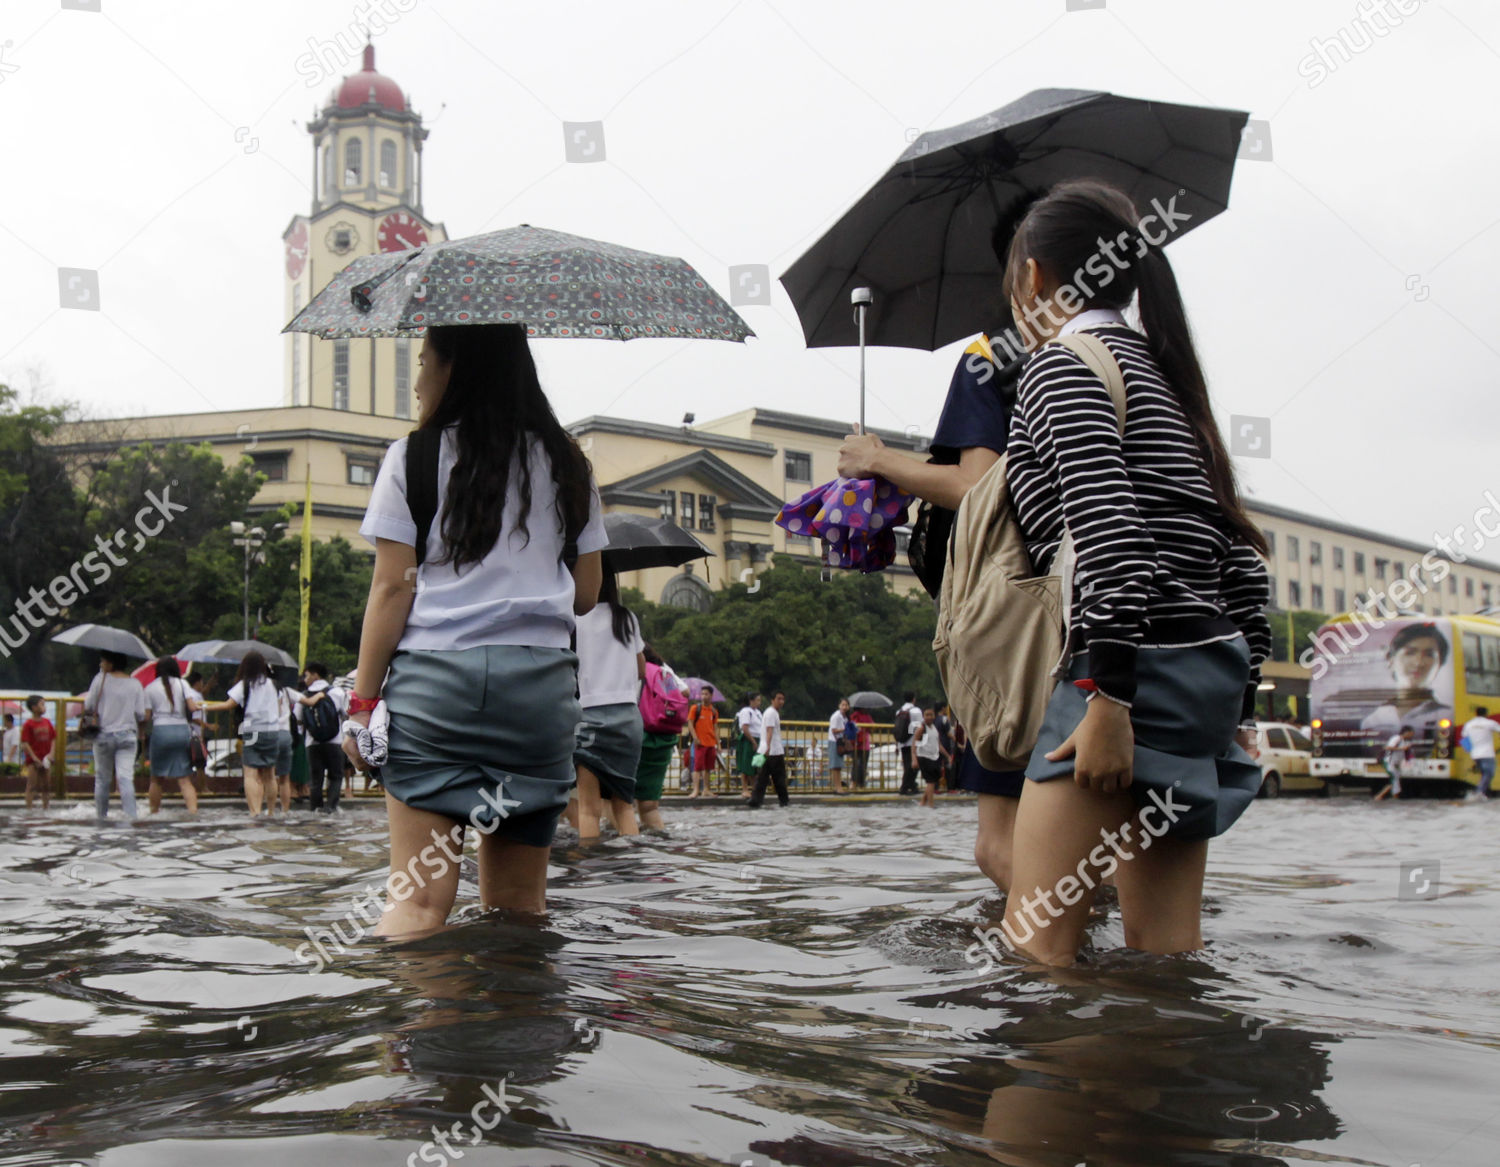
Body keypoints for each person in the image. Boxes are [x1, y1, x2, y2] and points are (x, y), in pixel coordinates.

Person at [988, 180, 1271, 965]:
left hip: (1116, 679)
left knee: (1036, 953)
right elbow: (1240, 558)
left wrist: (1108, 695)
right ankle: (1159, 1084)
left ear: (1035, 277)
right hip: (1203, 679)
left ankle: (1066, 1086)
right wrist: (1237, 710)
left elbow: (1109, 537)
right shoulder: (1170, 377)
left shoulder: (1058, 369)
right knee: (1167, 956)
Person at [346, 323, 606, 932]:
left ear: (454, 367)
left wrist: (362, 705)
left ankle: (411, 1028)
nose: (416, 382)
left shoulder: (413, 456)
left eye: (423, 362)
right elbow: (588, 596)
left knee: (416, 902)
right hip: (538, 692)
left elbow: (390, 589)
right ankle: (518, 1026)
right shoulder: (569, 462)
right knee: (518, 910)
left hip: (437, 687)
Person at [839, 247, 1028, 887]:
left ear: (1024, 271)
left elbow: (975, 487)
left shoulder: (993, 355)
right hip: (1120, 614)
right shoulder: (1129, 356)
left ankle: (1051, 968)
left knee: (1001, 846)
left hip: (1022, 626)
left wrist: (879, 460)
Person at [574, 571, 645, 840]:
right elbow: (641, 670)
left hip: (591, 716)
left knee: (589, 810)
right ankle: (632, 865)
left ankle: (590, 870)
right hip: (628, 717)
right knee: (625, 807)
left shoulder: (575, 620)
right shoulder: (625, 617)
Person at [201, 651, 281, 817]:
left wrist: (203, 707)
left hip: (252, 729)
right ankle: (271, 811)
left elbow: (228, 704)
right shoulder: (274, 684)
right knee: (270, 774)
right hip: (273, 730)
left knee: (251, 773)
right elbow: (279, 707)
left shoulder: (244, 684)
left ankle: (255, 811)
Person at [1360, 623, 1455, 741]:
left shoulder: (1447, 715)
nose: (1418, 663)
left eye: (1429, 655)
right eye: (1410, 653)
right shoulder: (1374, 720)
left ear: (1440, 664)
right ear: (1391, 659)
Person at [83, 651, 146, 820]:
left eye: (102, 661)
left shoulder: (100, 679)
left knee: (103, 779)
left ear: (111, 663)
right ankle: (131, 817)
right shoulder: (135, 684)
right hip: (128, 737)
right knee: (125, 778)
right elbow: (141, 714)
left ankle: (101, 816)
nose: (101, 664)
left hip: (103, 735)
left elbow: (88, 705)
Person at [634, 645, 684, 831]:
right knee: (649, 806)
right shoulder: (664, 672)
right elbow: (683, 693)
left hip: (638, 735)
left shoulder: (632, 669)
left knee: (619, 802)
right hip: (664, 738)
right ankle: (657, 842)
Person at [143, 657, 199, 816]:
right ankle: (193, 813)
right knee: (184, 780)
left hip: (161, 731)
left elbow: (146, 716)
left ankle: (154, 813)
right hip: (182, 731)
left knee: (156, 779)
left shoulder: (150, 688)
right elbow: (192, 707)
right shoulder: (183, 684)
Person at [299, 661, 347, 813]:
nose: (304, 680)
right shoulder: (337, 692)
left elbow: (299, 718)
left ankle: (316, 809)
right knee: (336, 776)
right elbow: (346, 714)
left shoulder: (304, 696)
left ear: (315, 674)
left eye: (306, 676)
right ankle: (331, 808)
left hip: (312, 742)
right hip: (335, 741)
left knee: (315, 779)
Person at [748, 691, 790, 808]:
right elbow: (769, 731)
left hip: (766, 749)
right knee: (779, 779)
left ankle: (756, 800)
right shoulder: (772, 713)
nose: (781, 702)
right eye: (778, 699)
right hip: (774, 750)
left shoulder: (768, 712)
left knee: (762, 778)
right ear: (773, 700)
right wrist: (768, 746)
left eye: (782, 699)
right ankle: (784, 800)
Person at [20, 696, 55, 812]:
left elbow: (53, 739)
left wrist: (51, 754)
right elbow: (25, 743)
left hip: (45, 758)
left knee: (46, 786)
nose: (44, 707)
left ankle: (46, 808)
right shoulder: (28, 724)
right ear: (34, 708)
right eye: (42, 704)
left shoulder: (47, 722)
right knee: (32, 785)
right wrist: (34, 758)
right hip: (33, 760)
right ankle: (29, 809)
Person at [914, 706, 951, 808]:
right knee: (930, 781)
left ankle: (922, 802)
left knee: (933, 781)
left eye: (931, 715)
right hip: (924, 757)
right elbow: (914, 743)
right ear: (923, 716)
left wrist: (947, 755)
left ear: (934, 716)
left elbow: (938, 744)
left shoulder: (934, 728)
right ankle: (931, 804)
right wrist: (914, 759)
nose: (929, 717)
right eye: (927, 715)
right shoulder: (922, 728)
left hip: (933, 757)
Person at [686, 693, 719, 797]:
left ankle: (706, 789)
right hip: (699, 742)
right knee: (697, 766)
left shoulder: (713, 711)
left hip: (711, 742)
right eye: (703, 693)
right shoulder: (695, 708)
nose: (704, 696)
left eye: (706, 694)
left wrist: (718, 743)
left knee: (708, 767)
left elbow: (716, 727)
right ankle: (696, 790)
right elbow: (690, 723)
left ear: (711, 696)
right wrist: (695, 737)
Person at [1462, 706, 1499, 798]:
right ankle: (1478, 792)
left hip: (1475, 755)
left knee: (1484, 774)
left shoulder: (1469, 724)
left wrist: (1470, 750)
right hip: (1487, 754)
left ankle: (1485, 793)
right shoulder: (1490, 723)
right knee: (1489, 773)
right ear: (1486, 714)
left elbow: (1464, 738)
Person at [735, 692, 764, 799]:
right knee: (746, 764)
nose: (759, 703)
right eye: (757, 700)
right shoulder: (746, 711)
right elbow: (745, 728)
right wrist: (753, 741)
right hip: (748, 739)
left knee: (755, 765)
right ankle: (745, 789)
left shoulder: (758, 712)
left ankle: (754, 788)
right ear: (751, 701)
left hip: (757, 738)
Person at [1374, 726, 1415, 801]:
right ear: (1406, 733)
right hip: (1389, 763)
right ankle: (1380, 796)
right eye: (1411, 733)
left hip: (1396, 764)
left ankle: (1394, 797)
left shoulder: (1404, 741)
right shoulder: (1397, 738)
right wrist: (1401, 749)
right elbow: (1387, 747)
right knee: (1394, 780)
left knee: (1396, 781)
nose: (1412, 735)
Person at [274, 680, 297, 813]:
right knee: (284, 777)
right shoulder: (287, 691)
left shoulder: (261, 690)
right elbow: (307, 700)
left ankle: (268, 809)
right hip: (285, 734)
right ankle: (285, 811)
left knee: (268, 775)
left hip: (268, 732)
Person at [894, 691, 922, 795]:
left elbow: (897, 728)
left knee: (907, 765)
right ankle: (904, 787)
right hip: (913, 742)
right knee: (915, 765)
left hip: (902, 742)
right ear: (913, 699)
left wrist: (897, 744)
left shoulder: (899, 711)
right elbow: (920, 727)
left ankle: (912, 786)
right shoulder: (916, 710)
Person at [827, 697, 850, 794]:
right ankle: (838, 787)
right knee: (835, 766)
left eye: (846, 705)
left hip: (840, 741)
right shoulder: (836, 716)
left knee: (838, 766)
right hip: (834, 741)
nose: (844, 707)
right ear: (839, 706)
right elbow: (834, 730)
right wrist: (845, 729)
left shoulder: (845, 717)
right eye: (843, 705)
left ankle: (838, 787)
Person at [848, 706, 873, 789]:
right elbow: (872, 728)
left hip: (859, 744)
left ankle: (855, 783)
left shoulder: (855, 716)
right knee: (861, 765)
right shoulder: (859, 716)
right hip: (860, 744)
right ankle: (859, 783)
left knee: (858, 764)